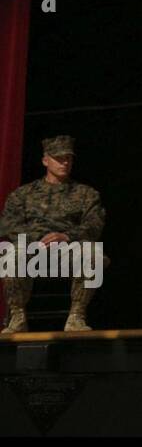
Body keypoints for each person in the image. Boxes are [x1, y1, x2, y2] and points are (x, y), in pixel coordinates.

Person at [0, 136, 105, 333]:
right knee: (10, 253)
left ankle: (77, 315)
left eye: (68, 158)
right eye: (58, 158)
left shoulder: (86, 194)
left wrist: (66, 236)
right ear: (45, 160)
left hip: (68, 250)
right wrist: (36, 240)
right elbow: (9, 225)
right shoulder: (23, 194)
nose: (64, 163)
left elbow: (94, 225)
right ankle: (17, 316)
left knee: (93, 254)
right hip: (32, 248)